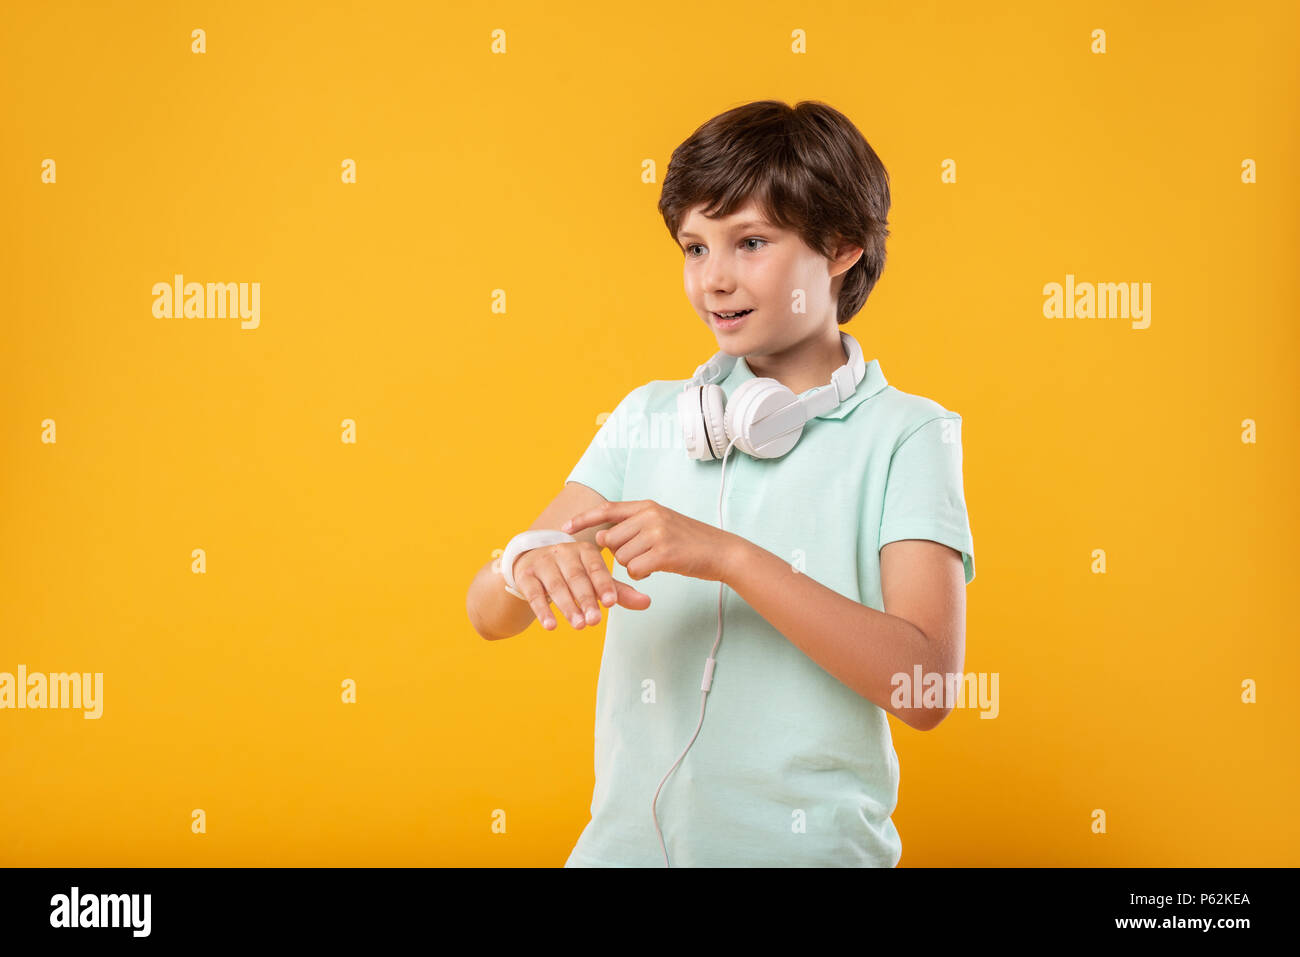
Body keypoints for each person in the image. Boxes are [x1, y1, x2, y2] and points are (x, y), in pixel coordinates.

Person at [465, 99, 975, 867]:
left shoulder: (908, 433)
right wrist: (524, 562)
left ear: (841, 248)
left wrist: (729, 557)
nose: (715, 280)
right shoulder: (648, 416)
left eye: (751, 242)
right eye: (695, 248)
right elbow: (486, 613)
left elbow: (924, 688)